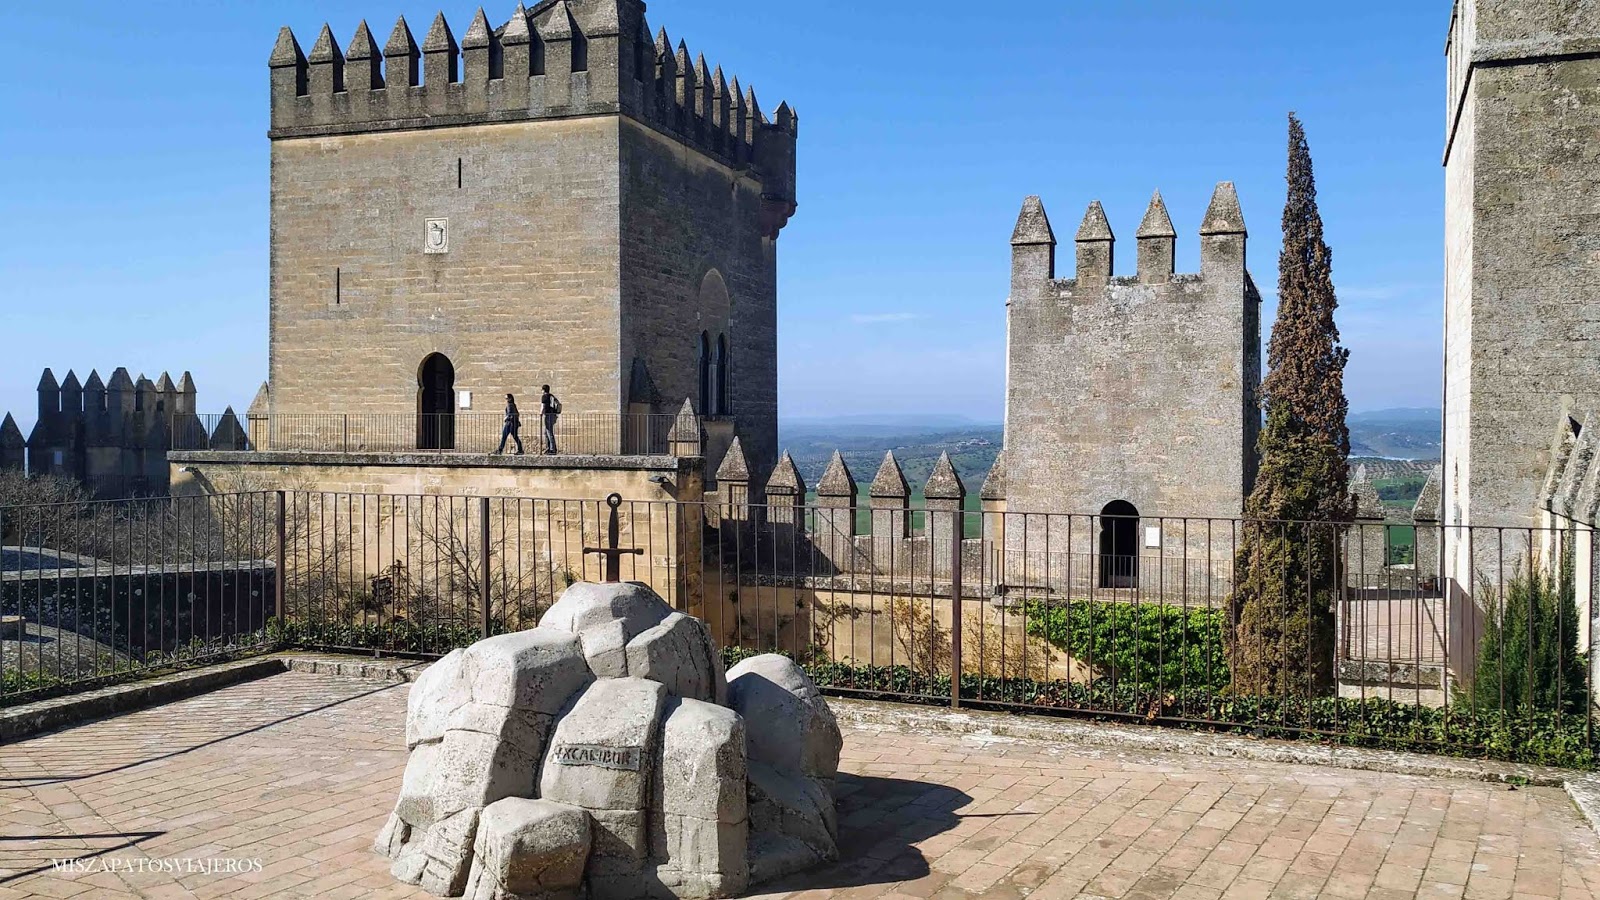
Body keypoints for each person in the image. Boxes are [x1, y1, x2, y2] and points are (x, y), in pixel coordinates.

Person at [540, 384, 561, 454]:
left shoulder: (544, 396)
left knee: (549, 432)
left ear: (543, 390)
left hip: (548, 415)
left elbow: (543, 406)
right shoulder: (551, 396)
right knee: (546, 432)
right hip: (553, 415)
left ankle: (553, 449)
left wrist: (540, 414)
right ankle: (549, 448)